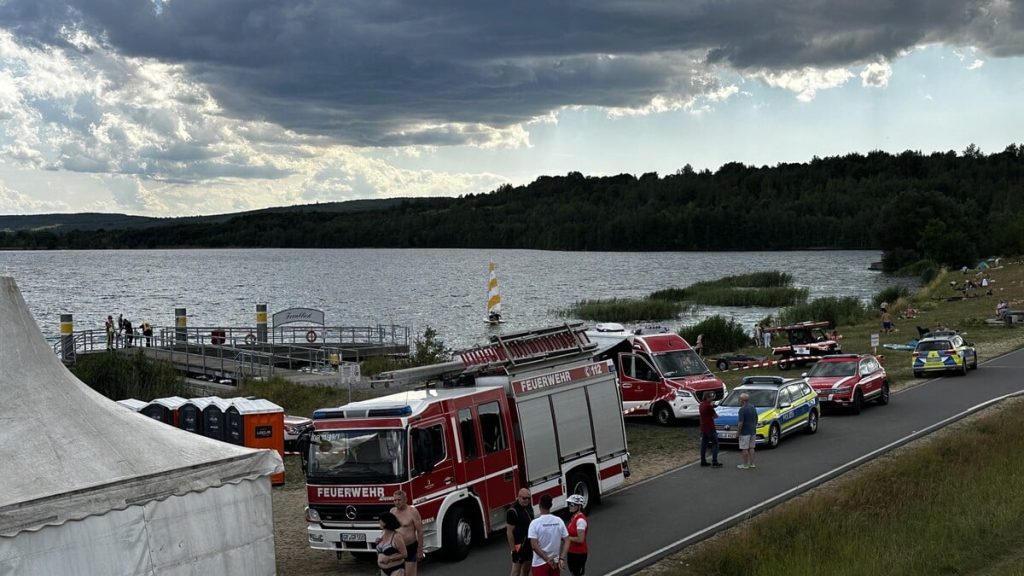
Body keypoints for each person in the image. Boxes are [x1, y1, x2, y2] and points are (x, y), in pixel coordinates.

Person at [527, 493, 568, 576]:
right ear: (551, 505)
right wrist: (562, 558)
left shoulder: (534, 523)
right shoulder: (559, 521)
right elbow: (567, 540)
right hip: (555, 563)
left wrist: (547, 559)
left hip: (539, 563)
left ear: (539, 505)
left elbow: (534, 545)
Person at [390, 490, 424, 575]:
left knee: (410, 574)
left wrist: (420, 549)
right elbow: (388, 530)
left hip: (410, 547)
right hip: (396, 549)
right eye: (395, 500)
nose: (397, 502)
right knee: (397, 573)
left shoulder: (412, 512)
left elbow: (420, 531)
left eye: (399, 500)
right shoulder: (392, 511)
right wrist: (382, 539)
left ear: (405, 500)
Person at [507, 488, 535, 576]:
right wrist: (513, 551)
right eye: (524, 498)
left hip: (529, 543)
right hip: (518, 545)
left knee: (526, 569)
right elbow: (509, 532)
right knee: (516, 571)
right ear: (518, 497)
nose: (526, 500)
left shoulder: (528, 506)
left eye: (528, 498)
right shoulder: (512, 511)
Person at [376, 512, 408, 576]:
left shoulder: (396, 537)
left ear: (386, 522)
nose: (379, 521)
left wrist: (390, 559)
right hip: (383, 570)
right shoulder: (382, 534)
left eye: (381, 520)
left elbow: (404, 554)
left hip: (396, 569)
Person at [565, 494, 588, 576]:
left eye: (572, 504)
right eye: (569, 504)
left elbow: (580, 539)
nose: (570, 506)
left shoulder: (580, 520)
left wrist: (567, 538)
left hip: (579, 553)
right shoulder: (573, 517)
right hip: (571, 552)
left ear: (579, 506)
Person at [698, 392, 722, 467]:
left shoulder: (701, 405)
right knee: (715, 444)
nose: (712, 398)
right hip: (710, 427)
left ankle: (703, 460)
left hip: (703, 427)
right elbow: (715, 416)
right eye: (711, 397)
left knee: (704, 445)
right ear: (707, 397)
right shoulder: (708, 406)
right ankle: (714, 461)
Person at [737, 393, 757, 470]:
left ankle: (745, 464)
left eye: (740, 399)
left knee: (744, 448)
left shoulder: (742, 409)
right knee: (752, 447)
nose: (739, 401)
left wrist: (738, 433)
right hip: (752, 430)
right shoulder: (753, 407)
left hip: (745, 431)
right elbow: (756, 418)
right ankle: (752, 463)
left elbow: (740, 423)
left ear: (743, 400)